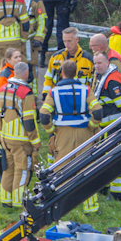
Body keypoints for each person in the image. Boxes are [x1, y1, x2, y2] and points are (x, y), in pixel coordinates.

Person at [39, 58, 97, 211]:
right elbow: (97, 111)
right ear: (76, 72)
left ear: (62, 73)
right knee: (86, 166)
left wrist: (51, 131)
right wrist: (91, 126)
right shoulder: (86, 90)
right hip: (84, 132)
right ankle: (90, 207)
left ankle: (63, 204)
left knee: (61, 168)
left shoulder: (53, 91)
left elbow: (44, 115)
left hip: (63, 133)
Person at [0, 48, 38, 208]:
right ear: (25, 74)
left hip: (5, 138)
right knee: (22, 169)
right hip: (21, 140)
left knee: (7, 169)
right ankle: (19, 203)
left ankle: (6, 201)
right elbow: (29, 121)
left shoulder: (2, 90)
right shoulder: (26, 92)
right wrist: (36, 142)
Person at [89, 52, 121, 202]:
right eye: (95, 63)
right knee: (106, 157)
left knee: (116, 158)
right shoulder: (103, 76)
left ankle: (118, 194)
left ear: (107, 62)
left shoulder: (112, 80)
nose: (97, 66)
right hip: (106, 126)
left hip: (115, 126)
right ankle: (106, 187)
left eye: (100, 63)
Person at [42, 26, 89, 94]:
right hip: (58, 97)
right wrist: (45, 95)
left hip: (79, 99)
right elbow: (48, 79)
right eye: (64, 41)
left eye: (69, 41)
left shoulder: (88, 60)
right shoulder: (56, 57)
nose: (66, 44)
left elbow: (92, 84)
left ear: (77, 39)